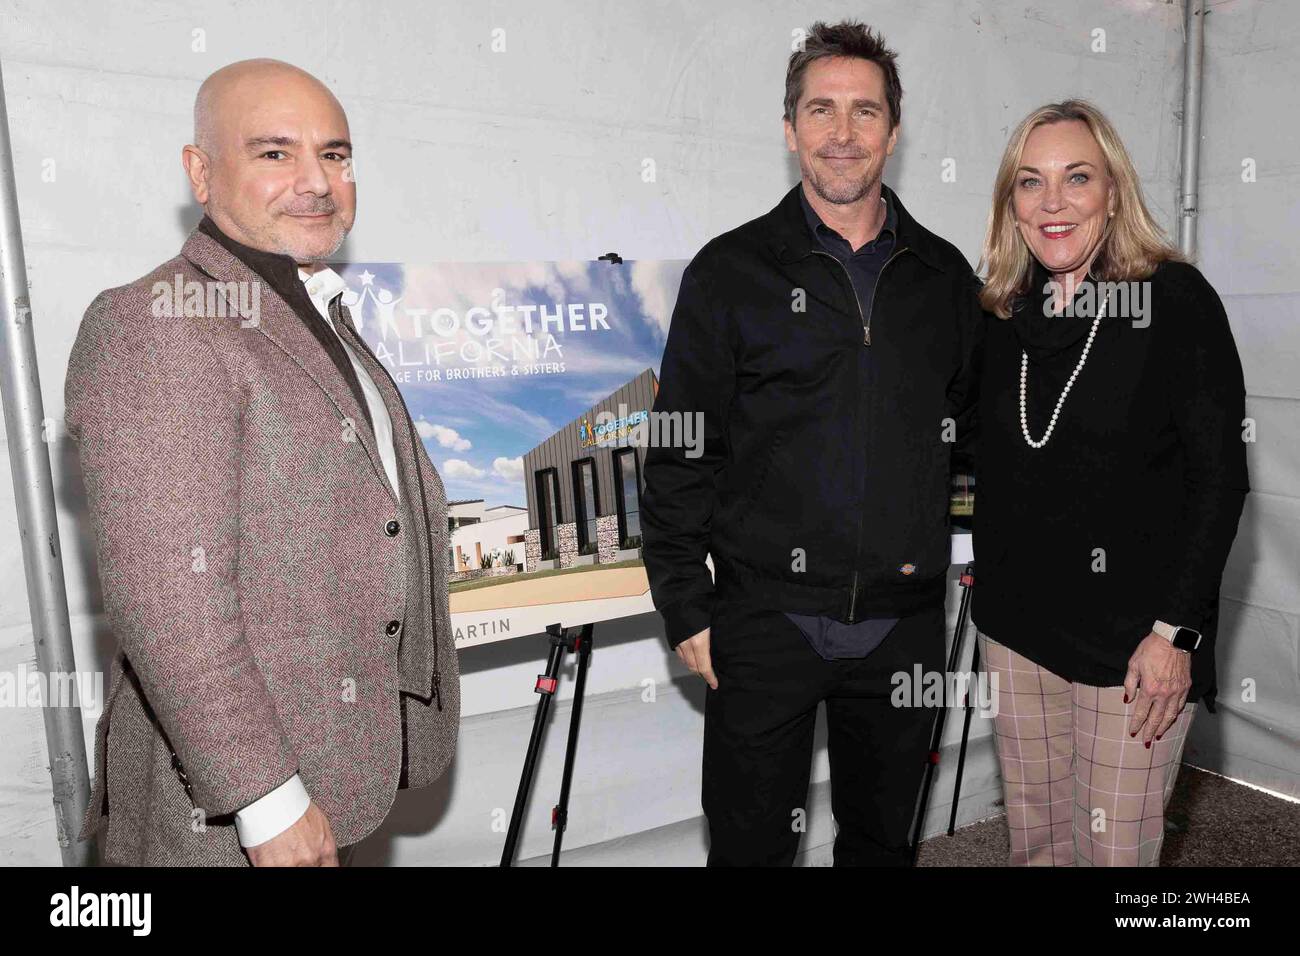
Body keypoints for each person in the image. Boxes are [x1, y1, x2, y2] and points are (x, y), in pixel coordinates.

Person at [64, 59, 460, 866]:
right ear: (200, 173)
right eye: (275, 153)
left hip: (332, 771)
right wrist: (266, 799)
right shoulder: (158, 323)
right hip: (227, 810)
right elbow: (169, 596)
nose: (316, 182)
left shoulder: (313, 311)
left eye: (336, 155)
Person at [641, 21, 983, 866]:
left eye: (864, 112)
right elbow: (682, 447)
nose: (842, 133)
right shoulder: (729, 272)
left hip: (902, 631)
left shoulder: (946, 281)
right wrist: (685, 603)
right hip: (764, 624)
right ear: (789, 127)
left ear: (894, 134)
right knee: (751, 848)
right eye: (820, 109)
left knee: (882, 847)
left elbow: (980, 441)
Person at [972, 99, 1249, 866]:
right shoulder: (998, 315)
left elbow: (1220, 480)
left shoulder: (1174, 302)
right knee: (1036, 837)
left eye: (1076, 178)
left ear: (1114, 193)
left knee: (1115, 851)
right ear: (1011, 206)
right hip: (1015, 630)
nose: (1052, 202)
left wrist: (1177, 634)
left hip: (1135, 648)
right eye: (1030, 183)